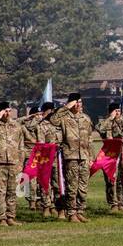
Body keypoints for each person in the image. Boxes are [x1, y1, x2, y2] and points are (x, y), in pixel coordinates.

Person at [48, 92, 95, 221]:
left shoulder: (85, 118)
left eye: (80, 102)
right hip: (71, 155)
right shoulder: (64, 117)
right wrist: (66, 107)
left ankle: (80, 211)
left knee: (83, 186)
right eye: (76, 102)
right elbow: (53, 120)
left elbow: (89, 139)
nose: (79, 105)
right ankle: (71, 212)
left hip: (84, 156)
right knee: (72, 186)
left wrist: (91, 157)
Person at [95, 102, 123, 212]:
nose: (118, 113)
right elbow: (100, 129)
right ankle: (113, 203)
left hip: (121, 154)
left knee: (121, 179)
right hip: (109, 155)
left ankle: (121, 202)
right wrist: (110, 118)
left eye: (119, 111)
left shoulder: (122, 122)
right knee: (111, 179)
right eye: (115, 111)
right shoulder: (104, 123)